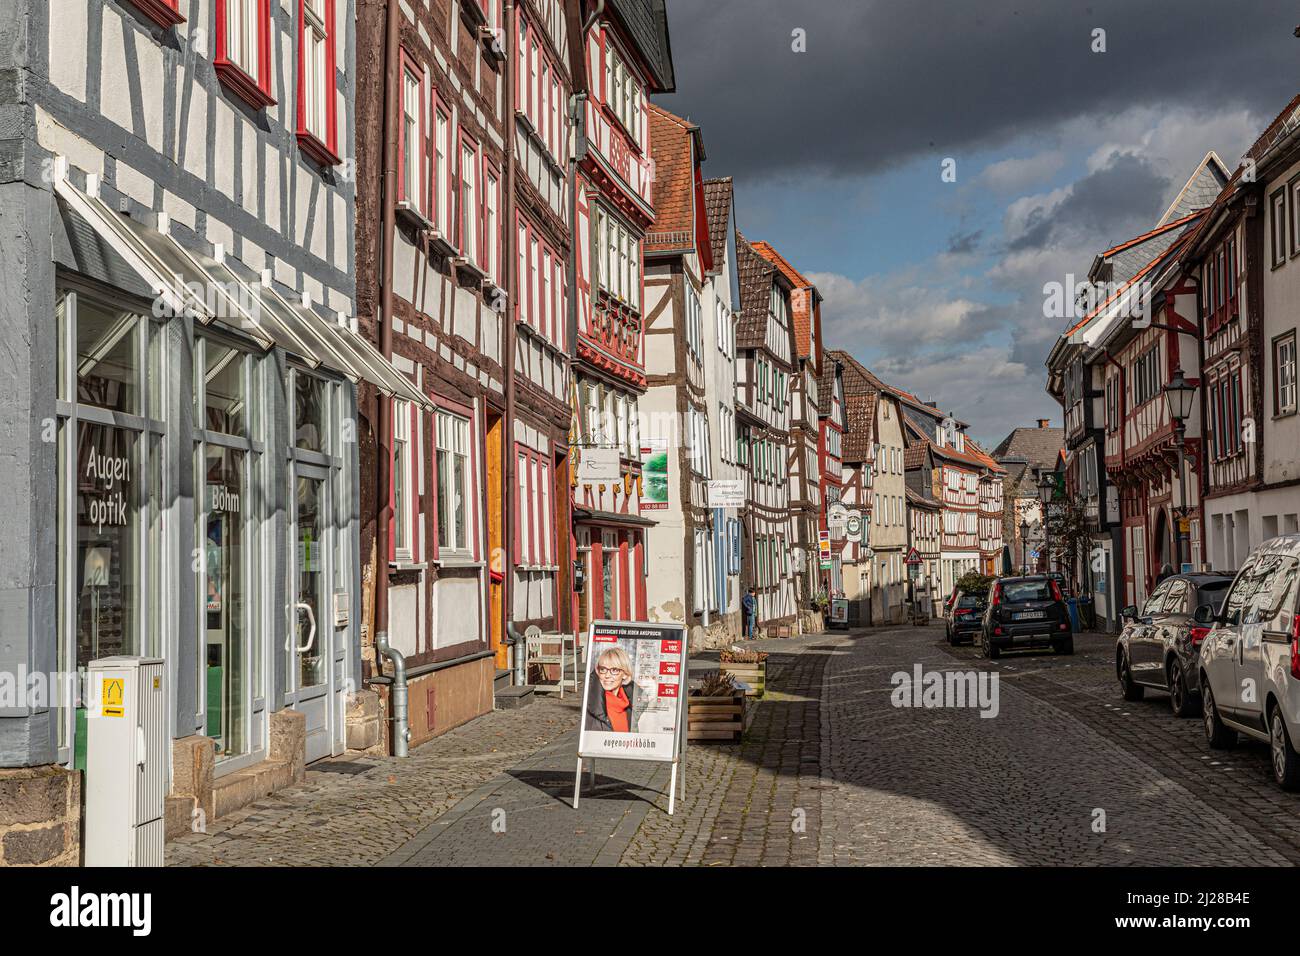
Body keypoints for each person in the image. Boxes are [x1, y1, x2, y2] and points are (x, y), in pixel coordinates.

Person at [585, 645, 641, 732]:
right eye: (603, 669)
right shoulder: (590, 703)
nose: (607, 675)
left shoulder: (633, 705)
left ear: (625, 674)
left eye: (614, 670)